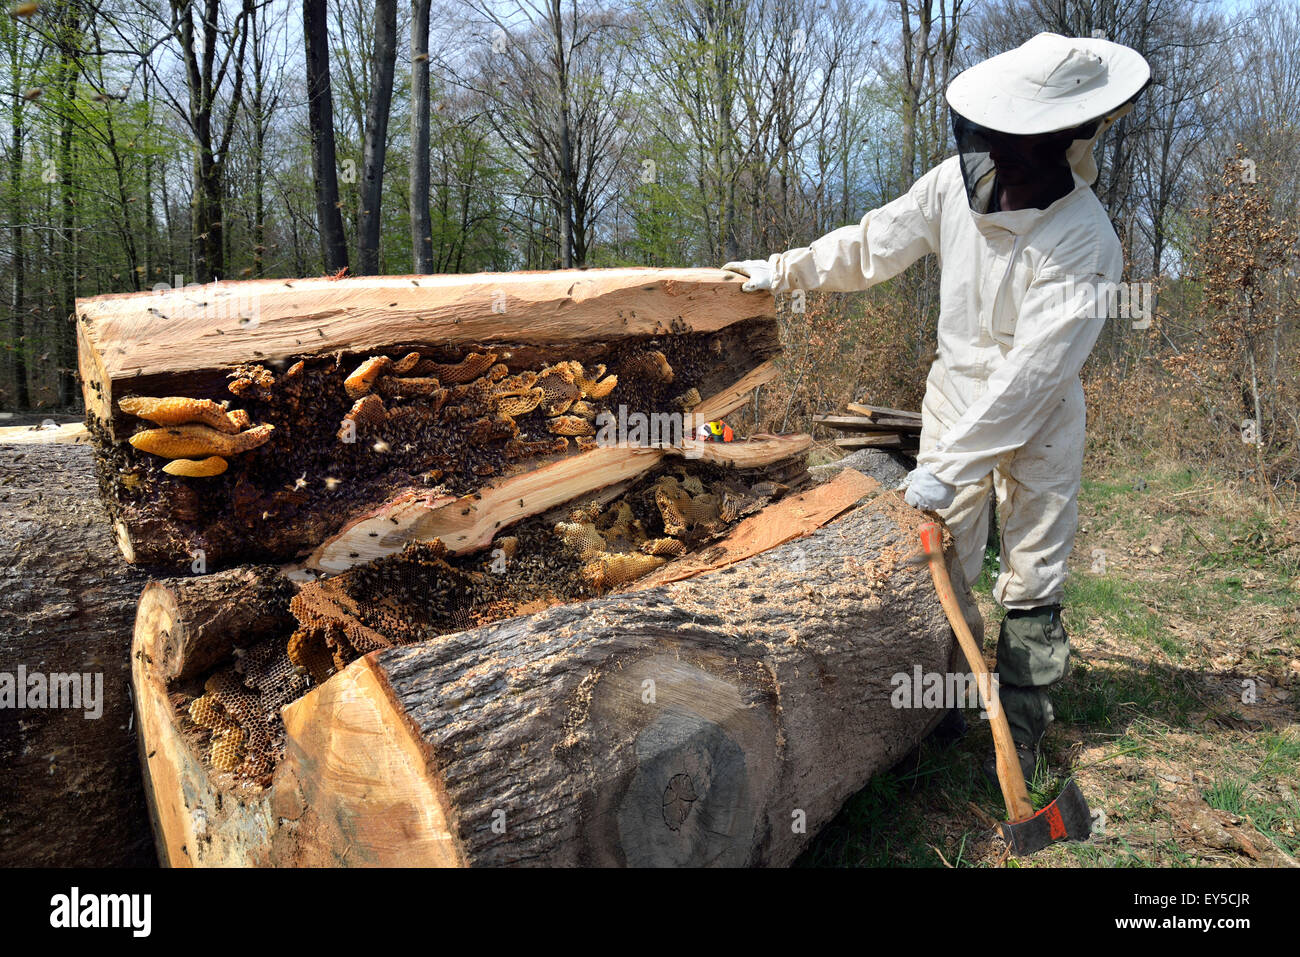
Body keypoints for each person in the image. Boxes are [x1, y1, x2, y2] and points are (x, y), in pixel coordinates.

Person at [722, 33, 1150, 779]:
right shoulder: (951, 187)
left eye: (1020, 145)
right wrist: (776, 274)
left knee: (1033, 568)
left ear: (1060, 141)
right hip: (955, 396)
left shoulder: (1087, 241)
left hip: (1040, 417)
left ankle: (1020, 724)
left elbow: (1030, 378)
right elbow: (867, 247)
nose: (1000, 160)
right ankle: (943, 707)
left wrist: (945, 465)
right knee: (942, 557)